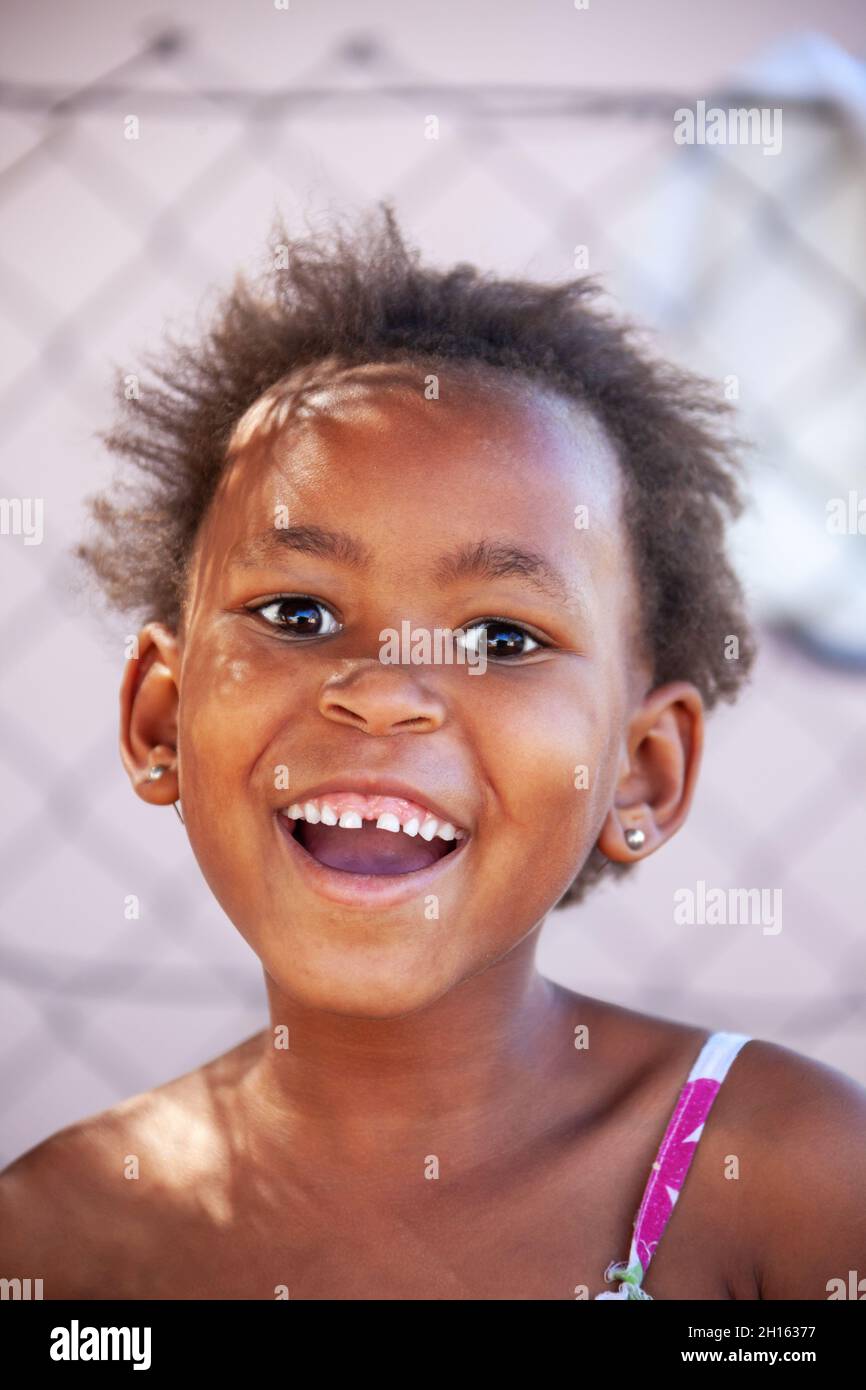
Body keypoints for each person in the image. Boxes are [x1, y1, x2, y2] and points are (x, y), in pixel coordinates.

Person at [1, 204, 864, 1300]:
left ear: (643, 768)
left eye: (502, 637)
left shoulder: (790, 1185)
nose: (381, 692)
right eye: (298, 614)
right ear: (160, 716)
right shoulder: (53, 1241)